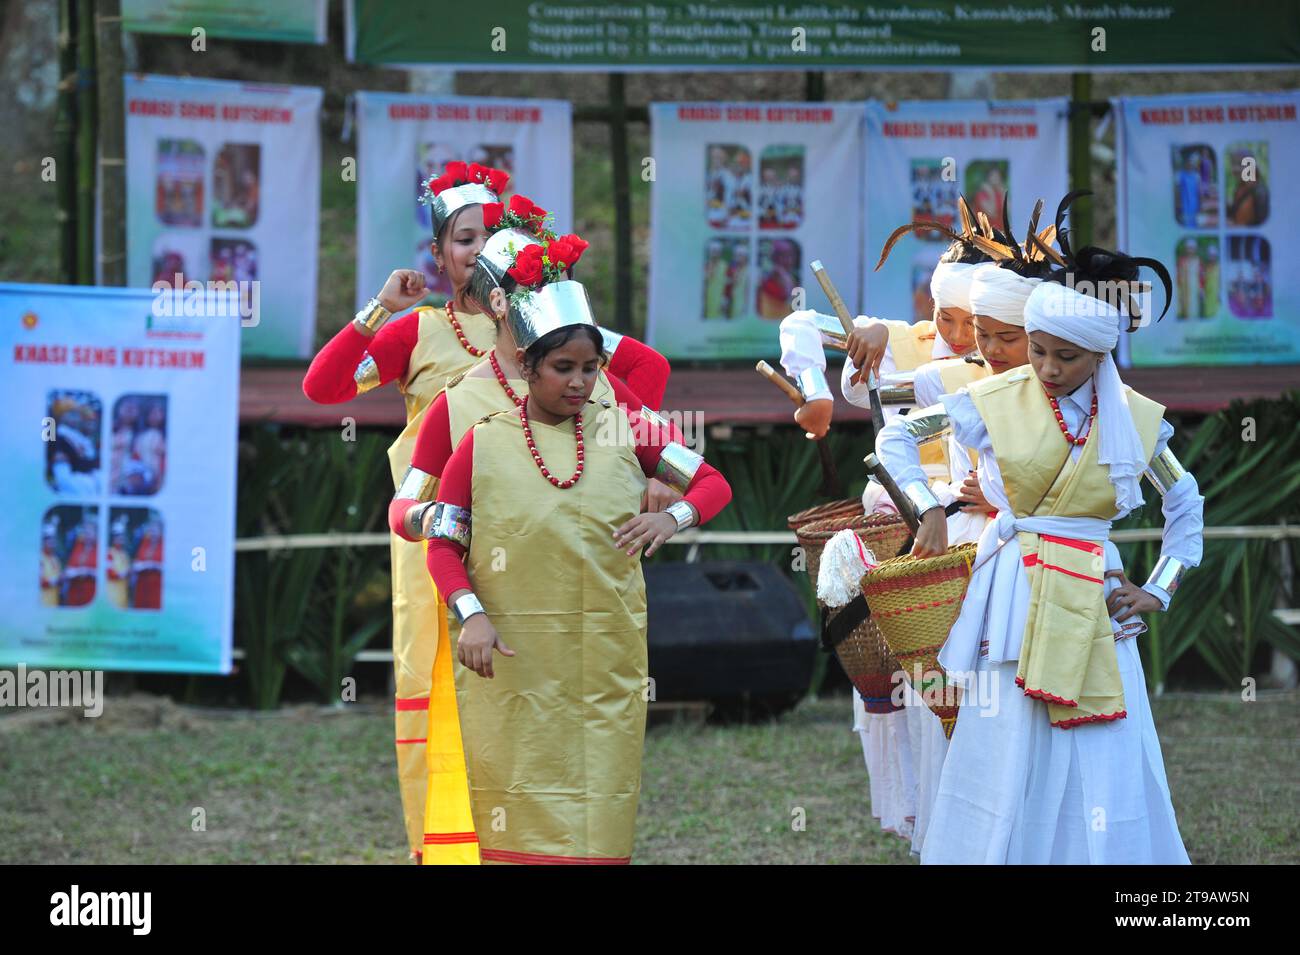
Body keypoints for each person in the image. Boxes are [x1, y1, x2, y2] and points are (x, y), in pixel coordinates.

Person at [876, 234, 1201, 864]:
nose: (1047, 368)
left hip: (1095, 595)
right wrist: (928, 511)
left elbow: (1185, 504)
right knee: (1003, 741)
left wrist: (1160, 586)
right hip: (1014, 592)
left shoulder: (1134, 420)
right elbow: (898, 441)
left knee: (1102, 745)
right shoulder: (991, 399)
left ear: (1101, 356)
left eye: (1067, 356)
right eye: (1040, 350)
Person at [423, 268, 731, 863]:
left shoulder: (623, 425)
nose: (580, 382)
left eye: (590, 368)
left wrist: (675, 518)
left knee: (602, 814)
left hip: (605, 663)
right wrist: (472, 615)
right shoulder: (481, 443)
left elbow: (712, 482)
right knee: (515, 813)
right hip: (513, 665)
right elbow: (442, 544)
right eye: (563, 367)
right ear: (528, 366)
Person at [301, 161, 508, 860]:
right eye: (465, 238)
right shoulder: (416, 331)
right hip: (430, 528)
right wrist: (379, 308)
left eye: (492, 235)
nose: (478, 250)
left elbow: (626, 380)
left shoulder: (538, 327)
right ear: (442, 252)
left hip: (522, 523)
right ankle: (442, 844)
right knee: (434, 669)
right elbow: (324, 386)